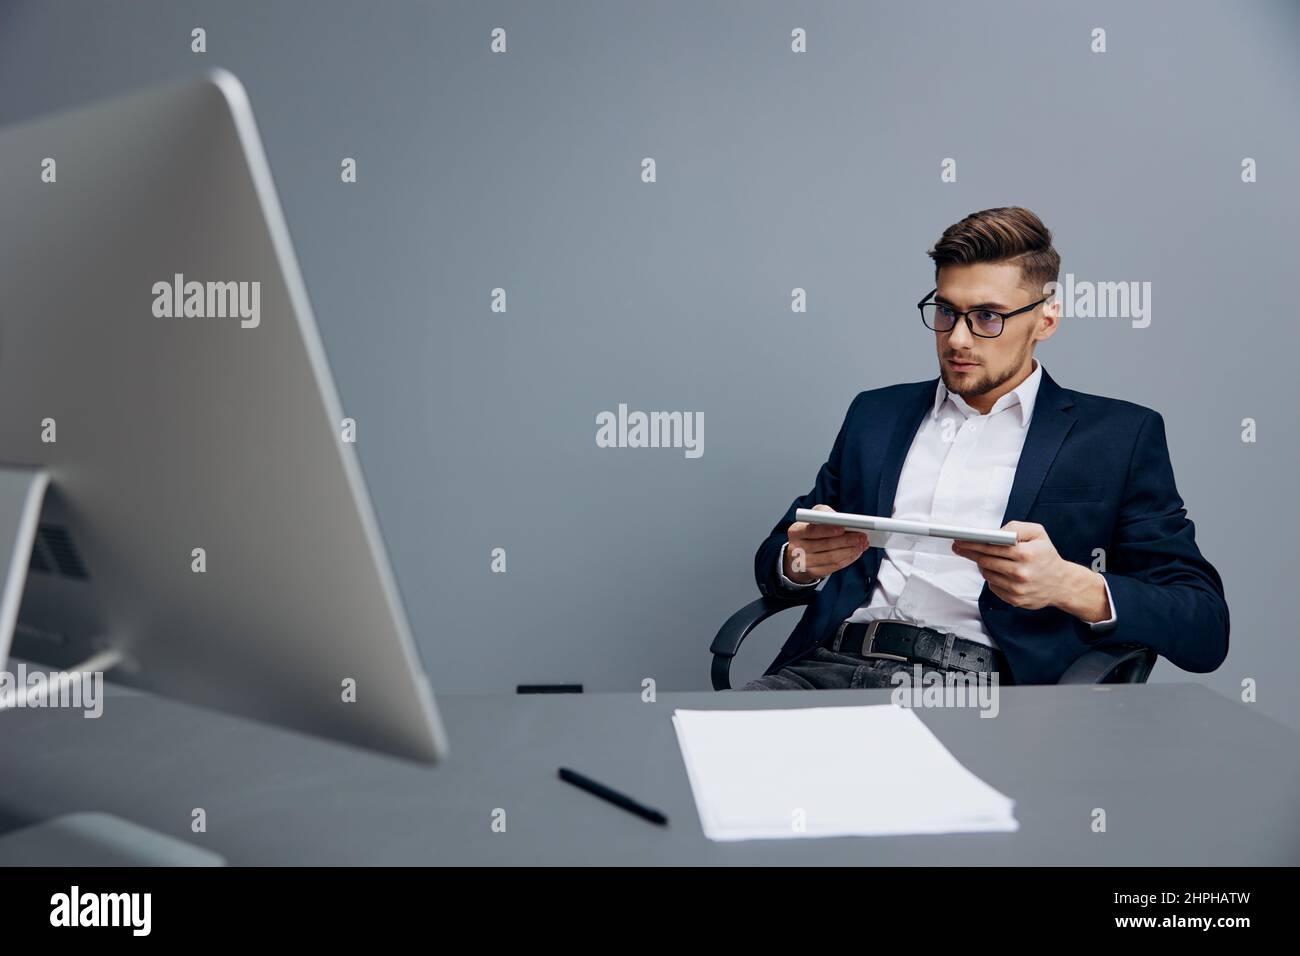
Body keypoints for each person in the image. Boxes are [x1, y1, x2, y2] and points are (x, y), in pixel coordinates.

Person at [742, 206, 1228, 690]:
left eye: (988, 317)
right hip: (825, 669)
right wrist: (799, 561)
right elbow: (780, 556)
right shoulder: (876, 415)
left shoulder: (1119, 435)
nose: (957, 338)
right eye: (947, 311)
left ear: (1046, 319)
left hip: (986, 692)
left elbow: (1204, 627)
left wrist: (1070, 585)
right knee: (703, 750)